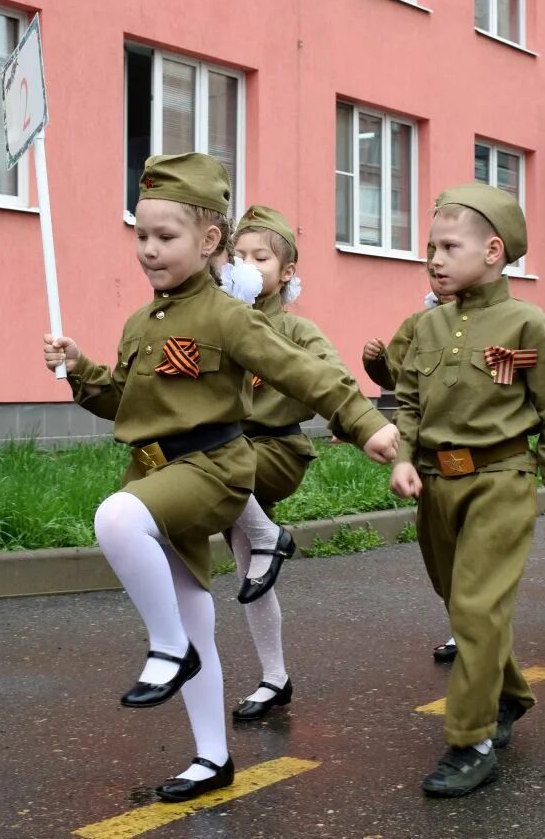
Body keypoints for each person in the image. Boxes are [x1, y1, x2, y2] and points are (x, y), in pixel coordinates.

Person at [43, 153, 398, 801]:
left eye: (166, 236)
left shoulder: (230, 315)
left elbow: (304, 372)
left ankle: (169, 646)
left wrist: (366, 420)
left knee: (116, 517)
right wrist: (77, 370)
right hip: (159, 468)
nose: (149, 249)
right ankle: (212, 757)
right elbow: (121, 400)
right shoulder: (141, 323)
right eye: (141, 235)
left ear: (210, 242)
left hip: (213, 467)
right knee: (194, 608)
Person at [390, 184, 545, 797]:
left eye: (450, 247)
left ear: (493, 252)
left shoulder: (526, 322)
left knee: (475, 609)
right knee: (464, 604)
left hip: (502, 481)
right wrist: (403, 456)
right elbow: (411, 403)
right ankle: (510, 693)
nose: (435, 259)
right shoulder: (426, 325)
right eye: (430, 247)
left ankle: (468, 743)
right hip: (439, 489)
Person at [222, 205, 358, 721]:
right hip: (231, 459)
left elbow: (335, 378)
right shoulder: (222, 319)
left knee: (209, 470)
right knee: (248, 571)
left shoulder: (297, 331)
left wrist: (353, 424)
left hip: (275, 451)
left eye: (262, 257)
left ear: (287, 273)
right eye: (239, 256)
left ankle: (267, 537)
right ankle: (274, 678)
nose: (248, 265)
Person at [362, 271, 459, 664]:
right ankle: (461, 623)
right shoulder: (418, 325)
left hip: (487, 460)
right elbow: (396, 379)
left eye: (452, 251)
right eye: (434, 255)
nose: (440, 266)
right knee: (439, 551)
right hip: (431, 458)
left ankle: (475, 634)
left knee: (478, 552)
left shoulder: (505, 320)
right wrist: (376, 361)